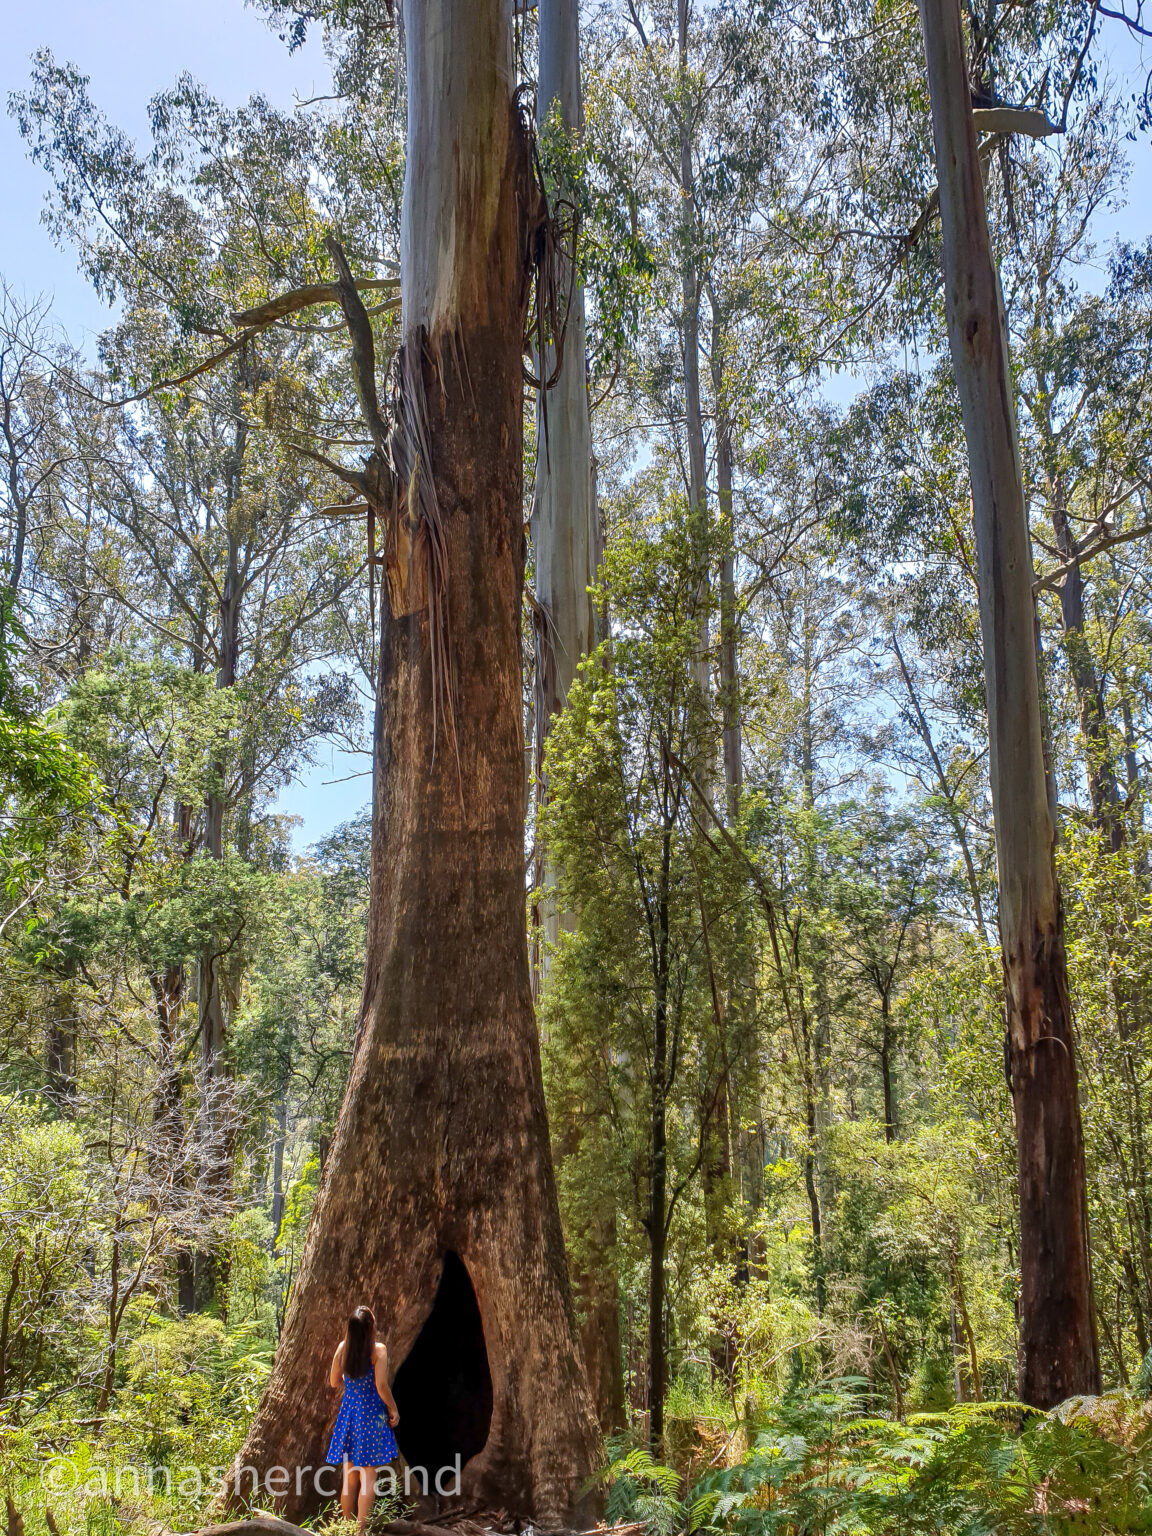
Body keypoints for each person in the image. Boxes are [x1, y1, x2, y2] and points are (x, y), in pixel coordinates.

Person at [327, 1305, 401, 1532]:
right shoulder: (378, 1351)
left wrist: (350, 1381)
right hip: (372, 1414)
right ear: (370, 1327)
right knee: (369, 1477)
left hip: (350, 1413)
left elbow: (333, 1381)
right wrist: (394, 1409)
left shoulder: (343, 1348)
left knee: (350, 1478)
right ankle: (360, 1532)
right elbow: (381, 1386)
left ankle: (345, 1527)